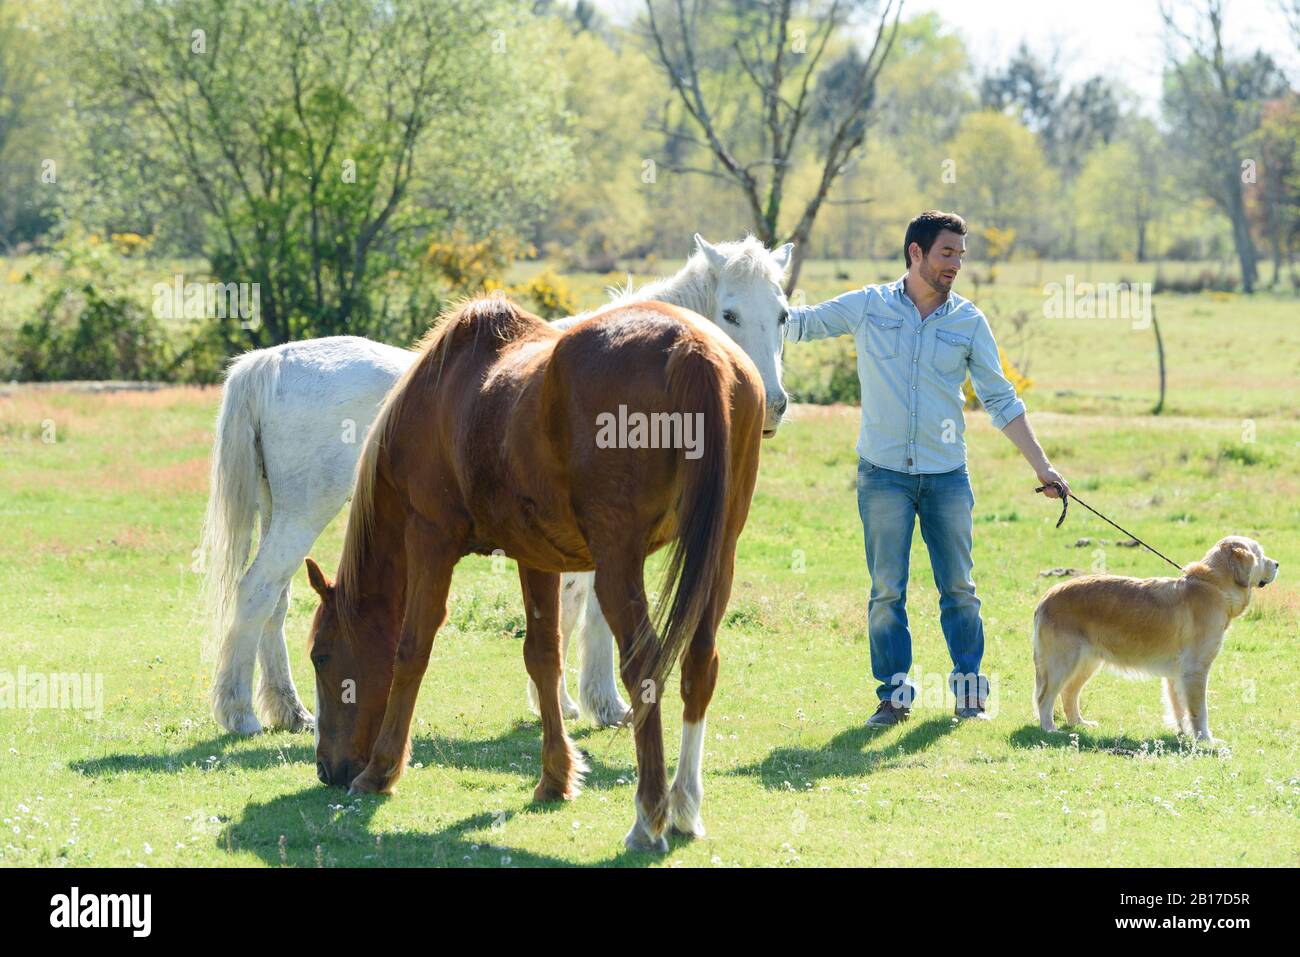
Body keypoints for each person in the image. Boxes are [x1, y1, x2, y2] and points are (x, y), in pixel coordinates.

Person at [784, 210, 1069, 725]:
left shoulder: (968, 322)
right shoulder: (868, 306)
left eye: (961, 254)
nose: (956, 263)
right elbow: (799, 324)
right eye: (947, 253)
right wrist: (740, 299)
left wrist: (1042, 467)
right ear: (916, 252)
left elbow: (1001, 399)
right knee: (886, 591)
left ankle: (970, 696)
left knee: (959, 588)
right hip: (883, 476)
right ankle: (893, 698)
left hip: (946, 478)